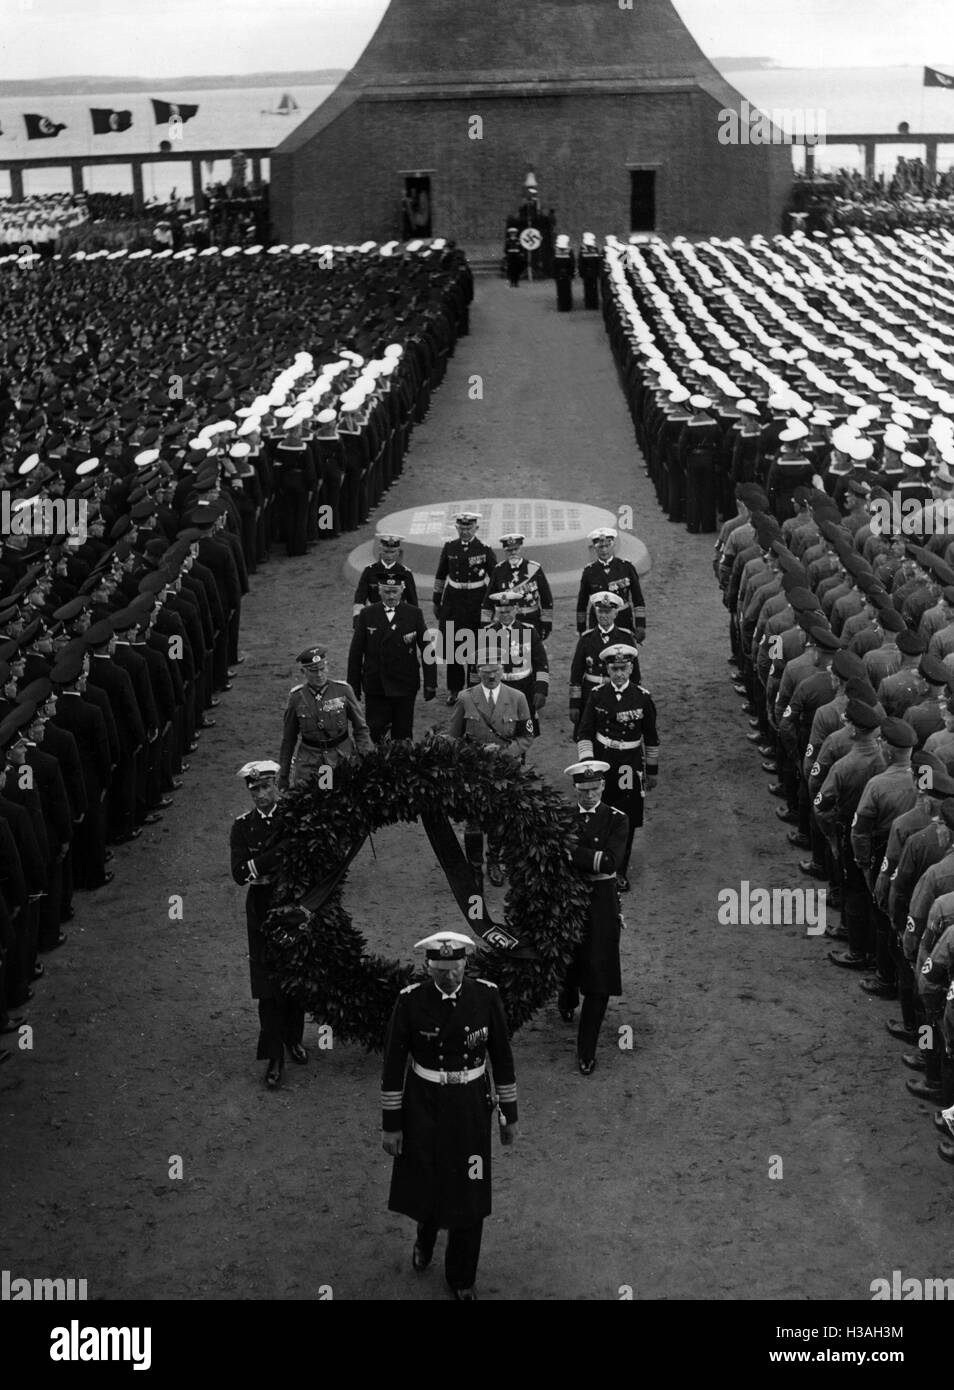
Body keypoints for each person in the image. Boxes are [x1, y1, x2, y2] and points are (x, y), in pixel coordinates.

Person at [380, 930, 518, 1301]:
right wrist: (391, 1126)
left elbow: (502, 1058)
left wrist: (509, 1115)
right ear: (428, 967)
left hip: (471, 1108)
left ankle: (461, 1277)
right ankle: (426, 1236)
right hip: (423, 1106)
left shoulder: (485, 996)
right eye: (440, 972)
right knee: (428, 1178)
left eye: (455, 970)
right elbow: (393, 1064)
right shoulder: (410, 1002)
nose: (449, 979)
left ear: (465, 964)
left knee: (471, 1189)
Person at [229, 760, 307, 1090]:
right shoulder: (242, 826)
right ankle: (274, 1056)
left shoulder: (293, 819)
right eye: (254, 789)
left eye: (265, 787)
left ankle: (294, 1038)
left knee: (296, 975)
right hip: (261, 907)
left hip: (290, 902)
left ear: (277, 786)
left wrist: (257, 862)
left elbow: (302, 856)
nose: (260, 795)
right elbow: (238, 875)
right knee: (267, 985)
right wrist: (277, 856)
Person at [558, 762, 628, 1074]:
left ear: (603, 788)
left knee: (599, 976)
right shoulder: (561, 818)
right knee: (569, 960)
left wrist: (571, 854)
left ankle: (586, 1051)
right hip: (567, 901)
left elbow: (610, 862)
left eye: (594, 790)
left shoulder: (617, 819)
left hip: (601, 903)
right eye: (583, 790)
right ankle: (567, 994)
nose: (588, 796)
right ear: (575, 789)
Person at [575, 644, 658, 892]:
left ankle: (619, 869)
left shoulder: (642, 697)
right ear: (607, 669)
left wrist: (652, 771)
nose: (619, 674)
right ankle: (594, 862)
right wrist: (588, 763)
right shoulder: (597, 695)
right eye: (614, 669)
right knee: (597, 807)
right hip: (603, 760)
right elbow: (585, 731)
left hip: (629, 764)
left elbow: (651, 737)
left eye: (623, 668)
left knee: (626, 815)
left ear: (631, 668)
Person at [448, 656, 534, 886]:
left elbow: (527, 737)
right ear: (478, 672)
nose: (492, 676)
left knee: (499, 819)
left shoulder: (518, 698)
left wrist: (505, 754)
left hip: (504, 770)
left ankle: (494, 861)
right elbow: (453, 737)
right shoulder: (466, 698)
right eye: (487, 672)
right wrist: (471, 753)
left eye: (496, 671)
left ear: (503, 670)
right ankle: (474, 868)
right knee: (474, 822)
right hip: (475, 770)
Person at [347, 576, 436, 743]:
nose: (391, 596)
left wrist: (430, 683)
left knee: (403, 734)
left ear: (402, 590)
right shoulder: (367, 614)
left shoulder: (414, 614)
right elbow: (356, 653)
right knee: (375, 733)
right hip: (376, 685)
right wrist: (353, 687)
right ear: (379, 591)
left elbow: (427, 649)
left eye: (394, 591)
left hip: (405, 684)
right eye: (386, 591)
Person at [278, 646, 372, 791]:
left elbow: (361, 728)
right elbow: (289, 739)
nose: (320, 675)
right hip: (310, 764)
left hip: (341, 760)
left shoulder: (343, 690)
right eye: (313, 671)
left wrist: (366, 761)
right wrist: (283, 776)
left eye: (322, 669)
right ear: (304, 672)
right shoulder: (296, 698)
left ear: (327, 667)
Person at [431, 512, 496, 706]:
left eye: (469, 528)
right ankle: (454, 689)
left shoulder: (484, 549)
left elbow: (495, 579)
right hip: (453, 602)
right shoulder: (450, 548)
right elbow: (441, 575)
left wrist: (491, 605)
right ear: (457, 528)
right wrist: (437, 600)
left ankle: (474, 689)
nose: (465, 532)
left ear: (476, 528)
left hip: (476, 602)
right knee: (453, 649)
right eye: (462, 528)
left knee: (476, 648)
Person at [569, 591, 640, 734]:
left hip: (617, 691)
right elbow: (576, 674)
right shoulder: (586, 639)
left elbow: (635, 674)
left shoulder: (625, 638)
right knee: (589, 733)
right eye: (600, 611)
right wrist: (574, 704)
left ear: (615, 613)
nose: (603, 615)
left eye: (608, 612)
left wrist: (635, 700)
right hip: (591, 693)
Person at [576, 527, 647, 637]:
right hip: (598, 621)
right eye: (600, 547)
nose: (604, 550)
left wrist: (640, 625)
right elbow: (582, 603)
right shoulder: (589, 572)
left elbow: (638, 599)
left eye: (607, 546)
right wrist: (581, 628)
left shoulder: (626, 567)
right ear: (595, 548)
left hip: (622, 620)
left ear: (613, 545)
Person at [483, 533, 553, 636]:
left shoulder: (534, 568)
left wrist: (547, 623)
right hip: (506, 622)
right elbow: (488, 601)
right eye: (509, 550)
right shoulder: (498, 570)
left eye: (516, 549)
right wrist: (485, 623)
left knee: (530, 651)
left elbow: (547, 599)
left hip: (531, 620)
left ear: (521, 549)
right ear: (505, 551)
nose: (513, 553)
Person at [351, 532, 418, 622]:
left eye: (392, 552)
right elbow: (360, 598)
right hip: (374, 617)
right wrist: (357, 619)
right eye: (386, 551)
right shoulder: (369, 571)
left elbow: (412, 602)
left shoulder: (405, 573)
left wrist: (413, 622)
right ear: (379, 550)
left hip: (398, 619)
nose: (389, 556)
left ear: (398, 552)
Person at [578, 232, 600, 309]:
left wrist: (581, 273)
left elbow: (581, 262)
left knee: (589, 289)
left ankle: (590, 304)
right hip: (591, 272)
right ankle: (593, 304)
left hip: (588, 273)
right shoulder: (595, 248)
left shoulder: (583, 249)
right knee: (592, 289)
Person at [553, 233, 575, 311]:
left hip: (565, 274)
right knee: (563, 290)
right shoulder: (556, 250)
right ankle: (563, 306)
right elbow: (553, 263)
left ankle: (565, 306)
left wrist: (571, 274)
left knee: (564, 290)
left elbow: (572, 263)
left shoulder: (568, 250)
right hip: (562, 274)